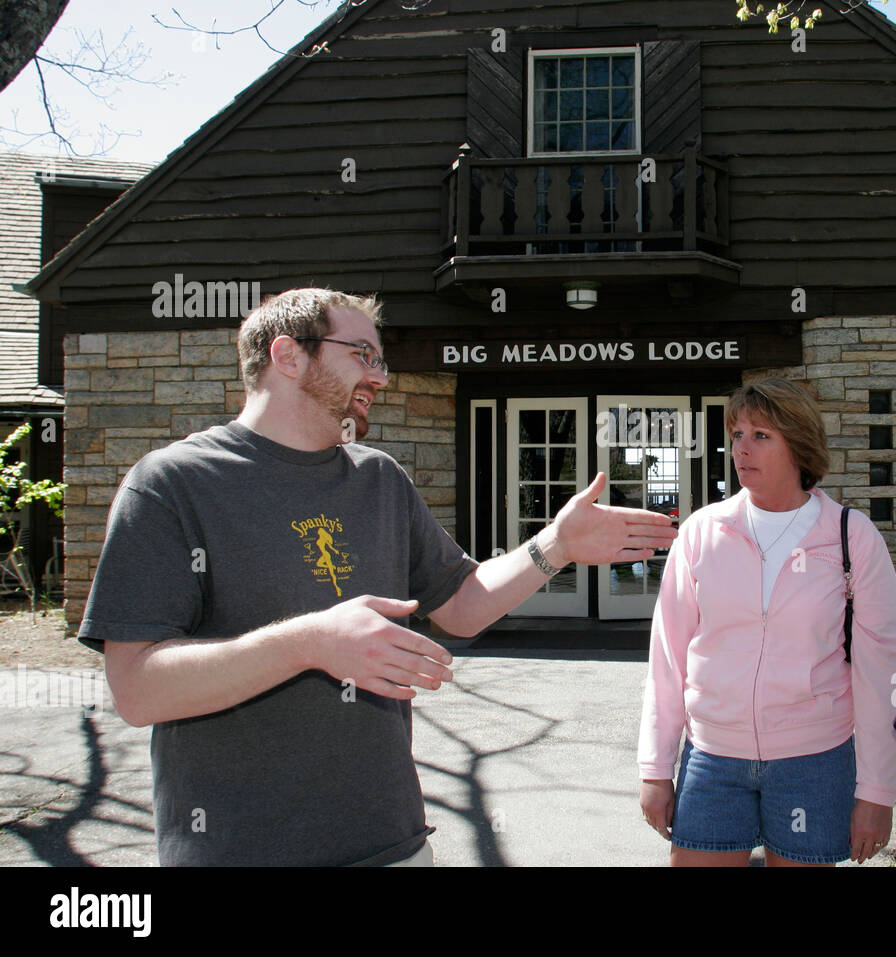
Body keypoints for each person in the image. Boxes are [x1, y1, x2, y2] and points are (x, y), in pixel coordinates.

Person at [79, 287, 676, 866]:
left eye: (380, 358)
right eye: (361, 354)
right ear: (288, 355)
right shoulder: (171, 484)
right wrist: (309, 643)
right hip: (235, 849)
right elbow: (136, 689)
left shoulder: (379, 479)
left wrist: (556, 546)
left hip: (393, 844)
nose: (381, 376)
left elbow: (461, 605)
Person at [638, 377, 896, 866]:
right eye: (737, 434)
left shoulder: (852, 537)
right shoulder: (703, 532)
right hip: (713, 759)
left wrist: (877, 791)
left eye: (761, 436)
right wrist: (656, 769)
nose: (742, 449)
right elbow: (668, 660)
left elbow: (883, 671)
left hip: (815, 761)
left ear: (800, 443)